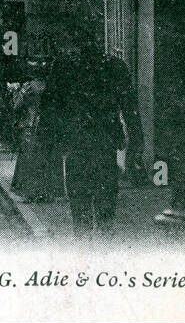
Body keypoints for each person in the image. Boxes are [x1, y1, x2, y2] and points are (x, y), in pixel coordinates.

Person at [42, 26, 128, 238]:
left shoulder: (64, 68)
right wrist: (137, 141)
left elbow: (49, 108)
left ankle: (84, 238)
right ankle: (103, 237)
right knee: (105, 192)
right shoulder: (114, 67)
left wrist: (48, 143)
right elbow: (130, 106)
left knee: (79, 195)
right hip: (104, 141)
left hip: (76, 141)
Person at [10, 69, 59, 202]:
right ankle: (45, 192)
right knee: (44, 159)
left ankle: (29, 192)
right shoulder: (51, 86)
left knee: (28, 160)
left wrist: (15, 92)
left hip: (30, 126)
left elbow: (17, 105)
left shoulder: (28, 86)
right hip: (46, 126)